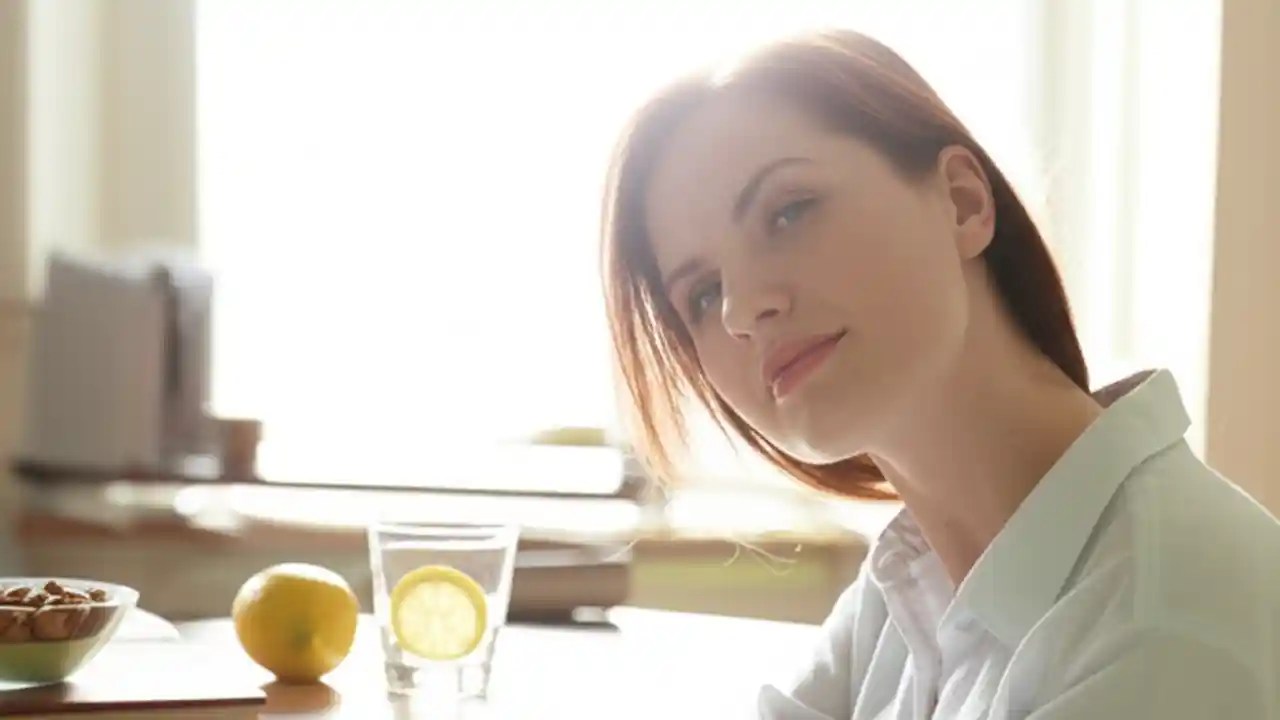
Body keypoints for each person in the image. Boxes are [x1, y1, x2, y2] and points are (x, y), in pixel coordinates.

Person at [599, 30, 1280, 719]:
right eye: (704, 294)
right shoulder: (910, 585)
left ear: (962, 202)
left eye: (789, 211)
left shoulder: (1164, 624)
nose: (745, 307)